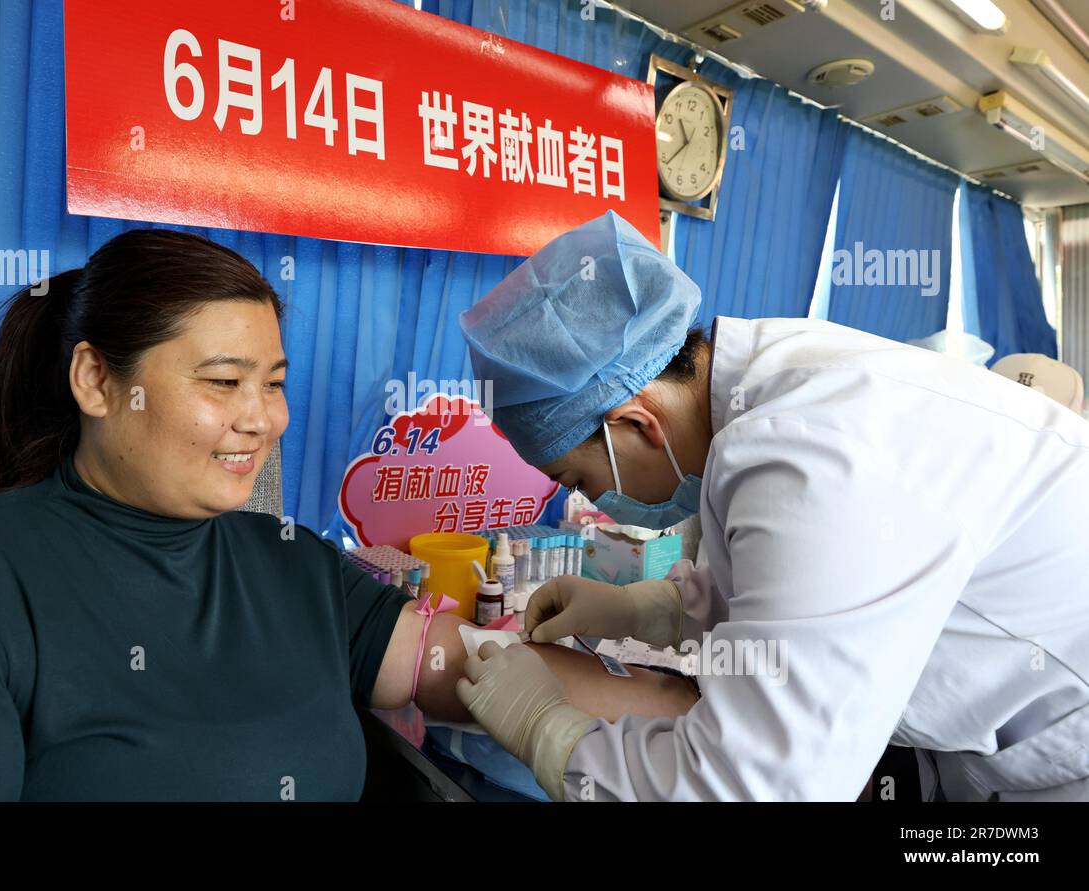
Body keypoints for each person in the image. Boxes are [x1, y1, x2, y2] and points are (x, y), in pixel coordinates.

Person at [0, 228, 695, 801]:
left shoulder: (293, 567)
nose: (262, 418)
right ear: (98, 381)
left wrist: (700, 709)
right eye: (223, 383)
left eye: (275, 384)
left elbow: (469, 667)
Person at [454, 210, 1089, 802]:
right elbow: (800, 592)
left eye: (581, 479)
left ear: (637, 424)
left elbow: (763, 786)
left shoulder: (807, 449)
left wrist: (551, 733)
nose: (597, 502)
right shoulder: (773, 382)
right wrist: (651, 610)